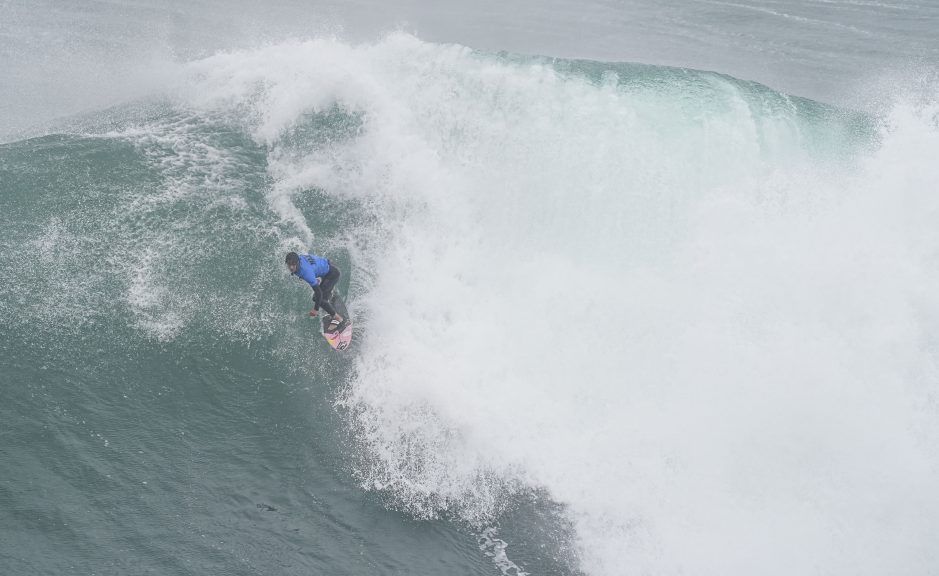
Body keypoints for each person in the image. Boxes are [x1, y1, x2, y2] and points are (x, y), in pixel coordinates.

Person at [285, 251, 345, 332]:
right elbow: (312, 265)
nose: (291, 267)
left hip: (332, 274)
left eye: (293, 264)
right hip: (328, 264)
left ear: (298, 262)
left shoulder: (306, 272)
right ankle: (328, 295)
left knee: (317, 298)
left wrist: (315, 310)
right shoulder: (300, 258)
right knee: (322, 294)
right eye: (289, 264)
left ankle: (338, 319)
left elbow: (318, 293)